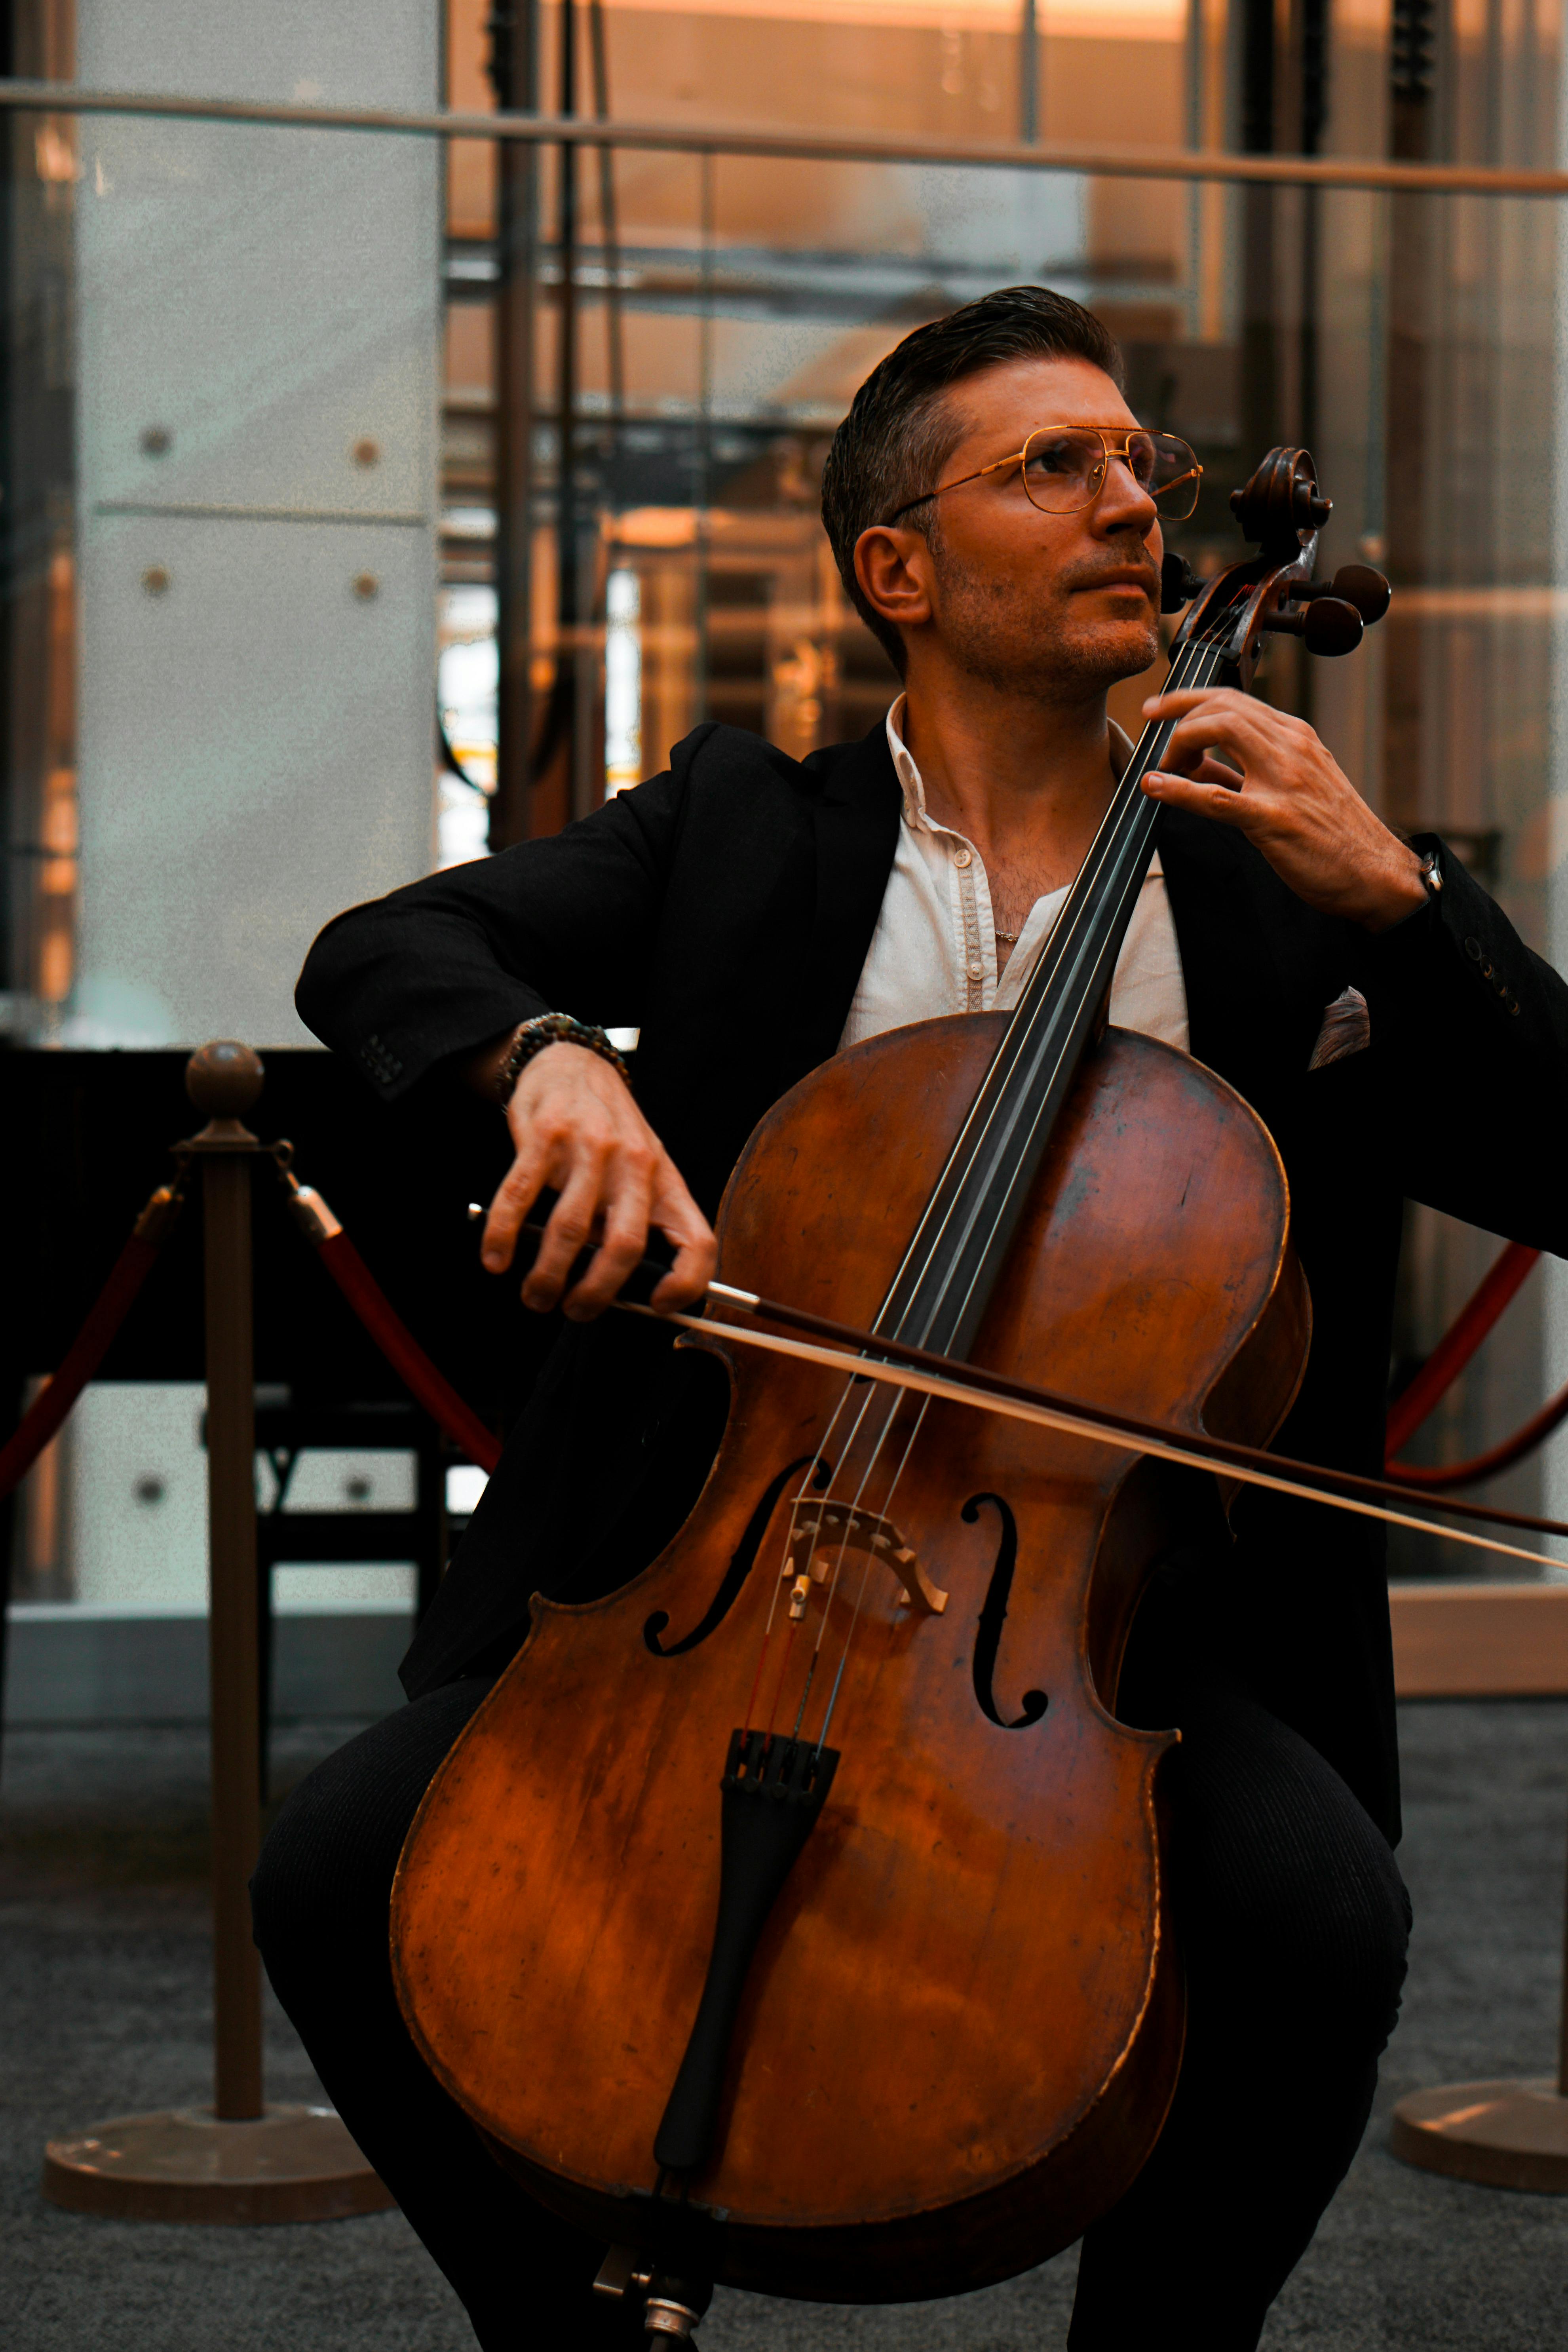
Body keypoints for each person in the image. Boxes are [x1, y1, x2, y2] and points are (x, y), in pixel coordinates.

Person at [253, 286, 1568, 2350]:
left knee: (1314, 1928)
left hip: (1113, 1629)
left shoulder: (1263, 883)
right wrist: (545, 1060)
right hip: (717, 1571)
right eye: (1057, 465)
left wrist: (1404, 898)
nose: (1132, 500)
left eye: (1144, 464)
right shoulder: (742, 828)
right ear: (901, 568)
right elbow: (389, 946)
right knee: (336, 1873)